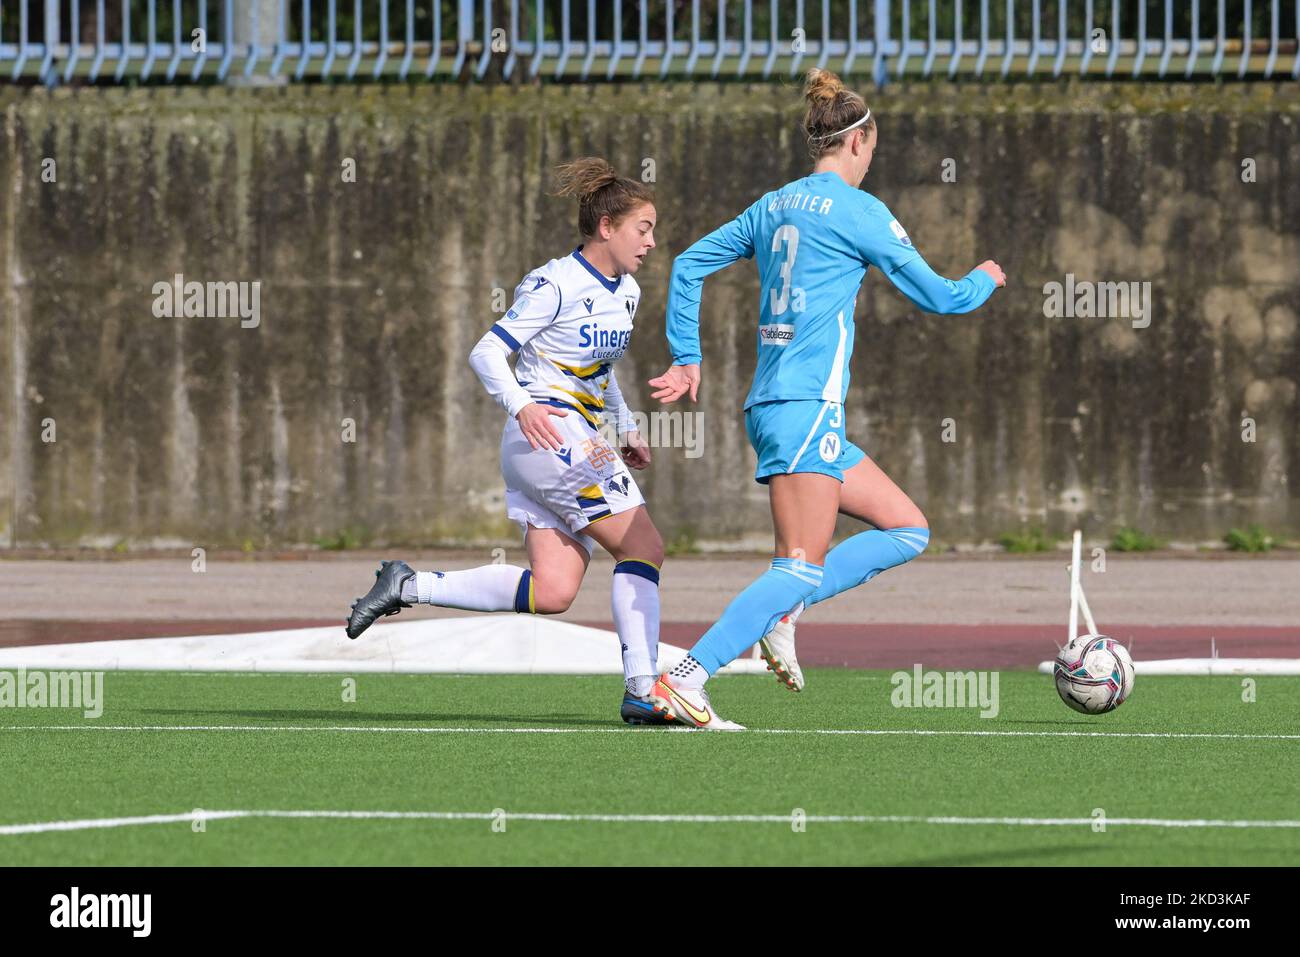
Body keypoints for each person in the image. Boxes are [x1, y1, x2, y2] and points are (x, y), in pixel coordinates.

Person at [646, 69, 1006, 730]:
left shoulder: (774, 203)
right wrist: (984, 279)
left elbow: (689, 261)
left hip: (781, 406)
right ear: (860, 142)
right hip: (805, 406)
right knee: (797, 564)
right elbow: (942, 297)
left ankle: (786, 611)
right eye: (875, 146)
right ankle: (684, 677)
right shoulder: (859, 210)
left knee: (907, 527)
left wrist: (688, 356)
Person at [346, 158, 673, 726]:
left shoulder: (628, 292)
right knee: (644, 547)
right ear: (606, 228)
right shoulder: (555, 282)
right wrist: (523, 406)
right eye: (642, 229)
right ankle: (643, 688)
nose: (651, 242)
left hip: (566, 439)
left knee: (553, 590)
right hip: (552, 436)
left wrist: (625, 427)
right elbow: (487, 352)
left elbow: (601, 369)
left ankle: (408, 584)